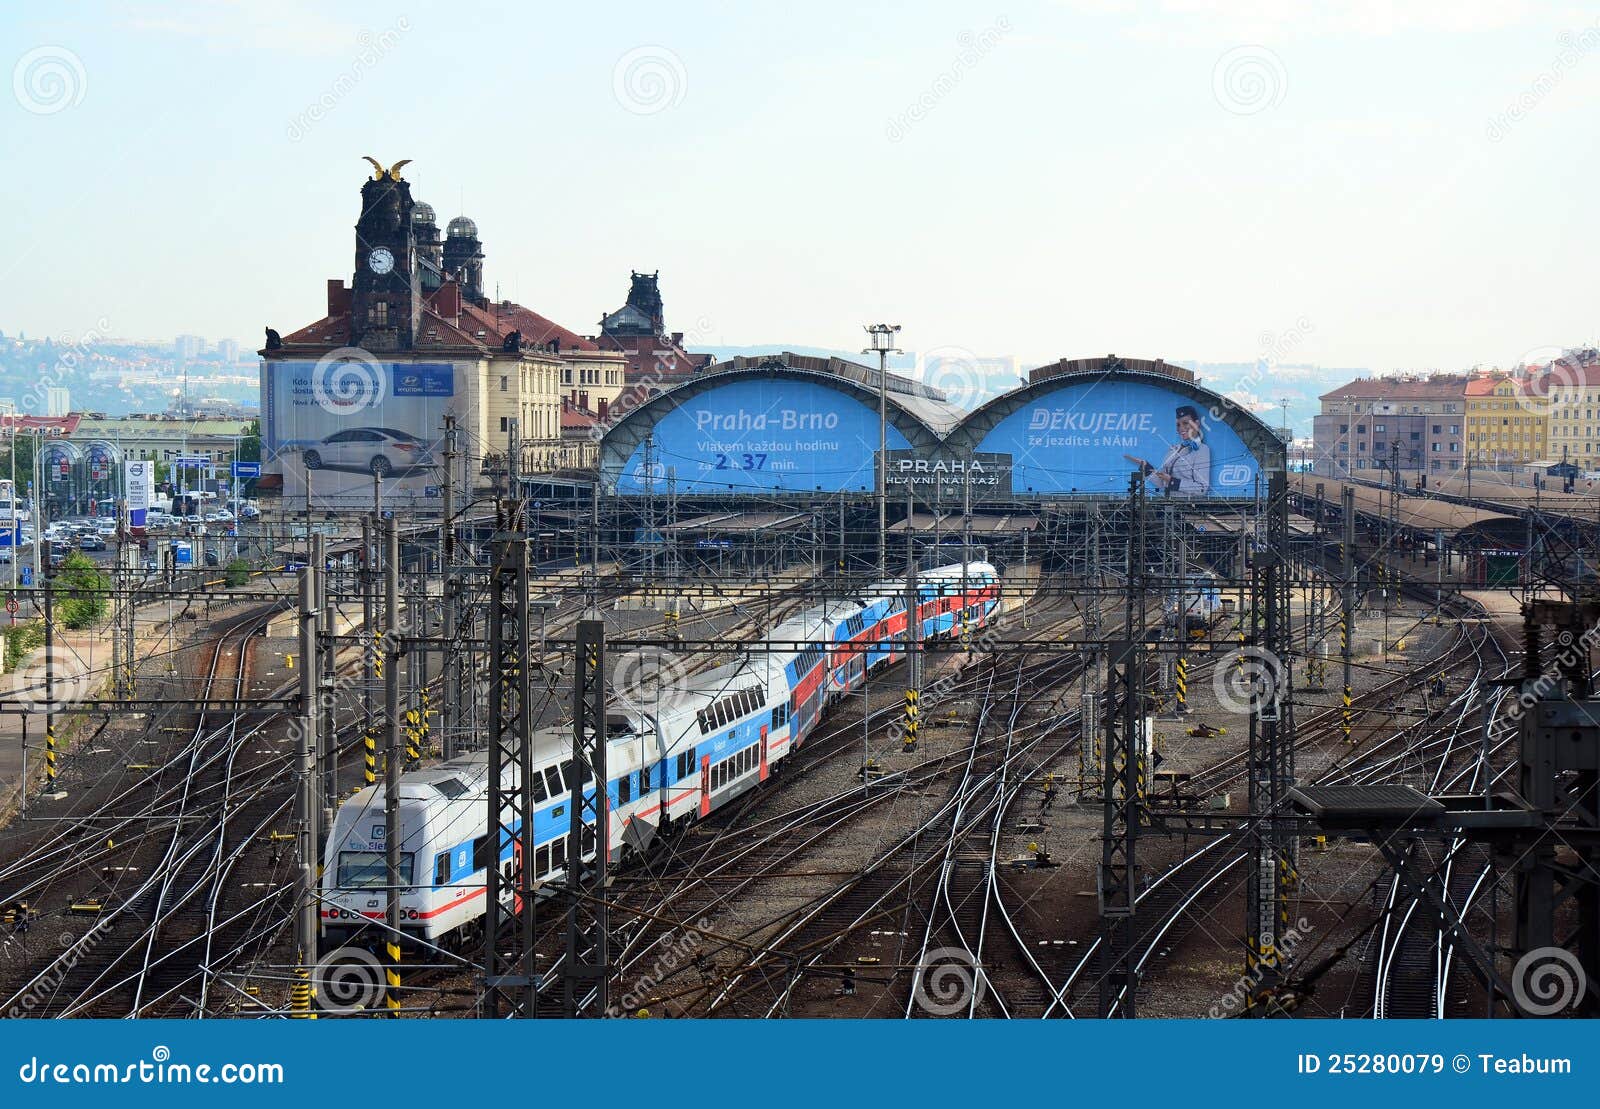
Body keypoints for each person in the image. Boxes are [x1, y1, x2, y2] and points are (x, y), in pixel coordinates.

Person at [1126, 405, 1212, 496]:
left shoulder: (1202, 450)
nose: (1181, 428)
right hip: (1167, 504)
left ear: (1197, 424)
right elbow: (1161, 483)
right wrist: (1146, 467)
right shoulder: (1173, 449)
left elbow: (1201, 488)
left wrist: (1172, 481)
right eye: (1178, 424)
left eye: (1185, 423)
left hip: (1187, 506)